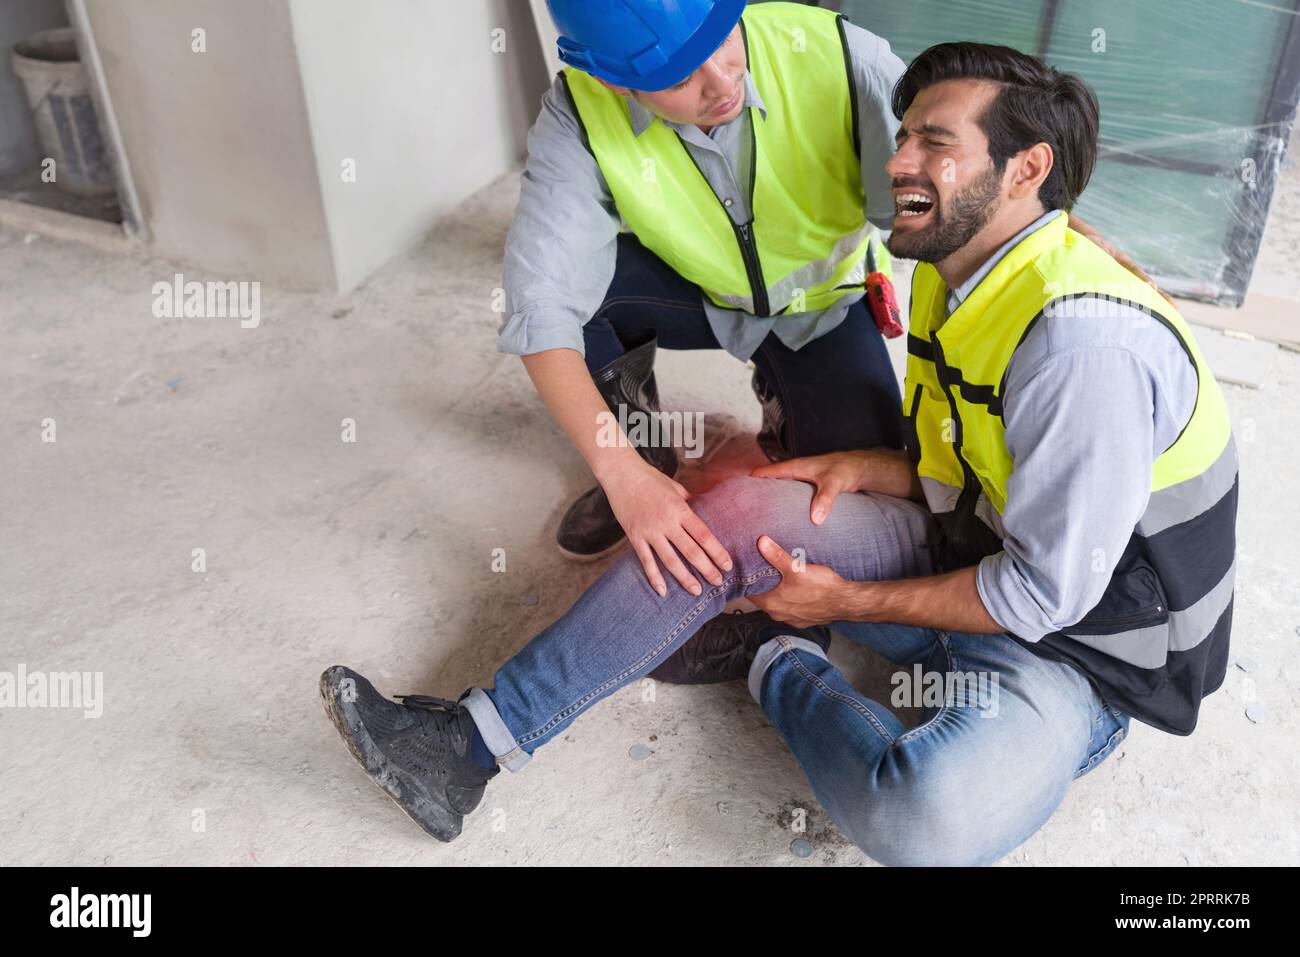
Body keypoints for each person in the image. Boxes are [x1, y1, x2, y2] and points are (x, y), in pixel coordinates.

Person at [319, 42, 1236, 865]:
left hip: (1081, 651)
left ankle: (775, 655)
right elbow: (975, 453)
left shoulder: (1081, 345)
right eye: (904, 135)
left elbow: (1045, 594)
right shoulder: (952, 279)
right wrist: (879, 468)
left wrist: (843, 602)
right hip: (980, 548)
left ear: (1027, 168)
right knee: (744, 512)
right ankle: (466, 744)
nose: (900, 160)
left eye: (936, 144)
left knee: (927, 820)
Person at [503, 0, 908, 596]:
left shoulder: (841, 57)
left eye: (722, 40)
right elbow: (538, 305)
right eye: (679, 76)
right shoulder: (580, 112)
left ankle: (787, 398)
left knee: (860, 508)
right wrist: (621, 473)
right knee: (580, 298)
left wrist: (1044, 229)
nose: (722, 82)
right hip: (702, 290)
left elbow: (952, 199)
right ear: (614, 79)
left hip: (823, 305)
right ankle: (649, 459)